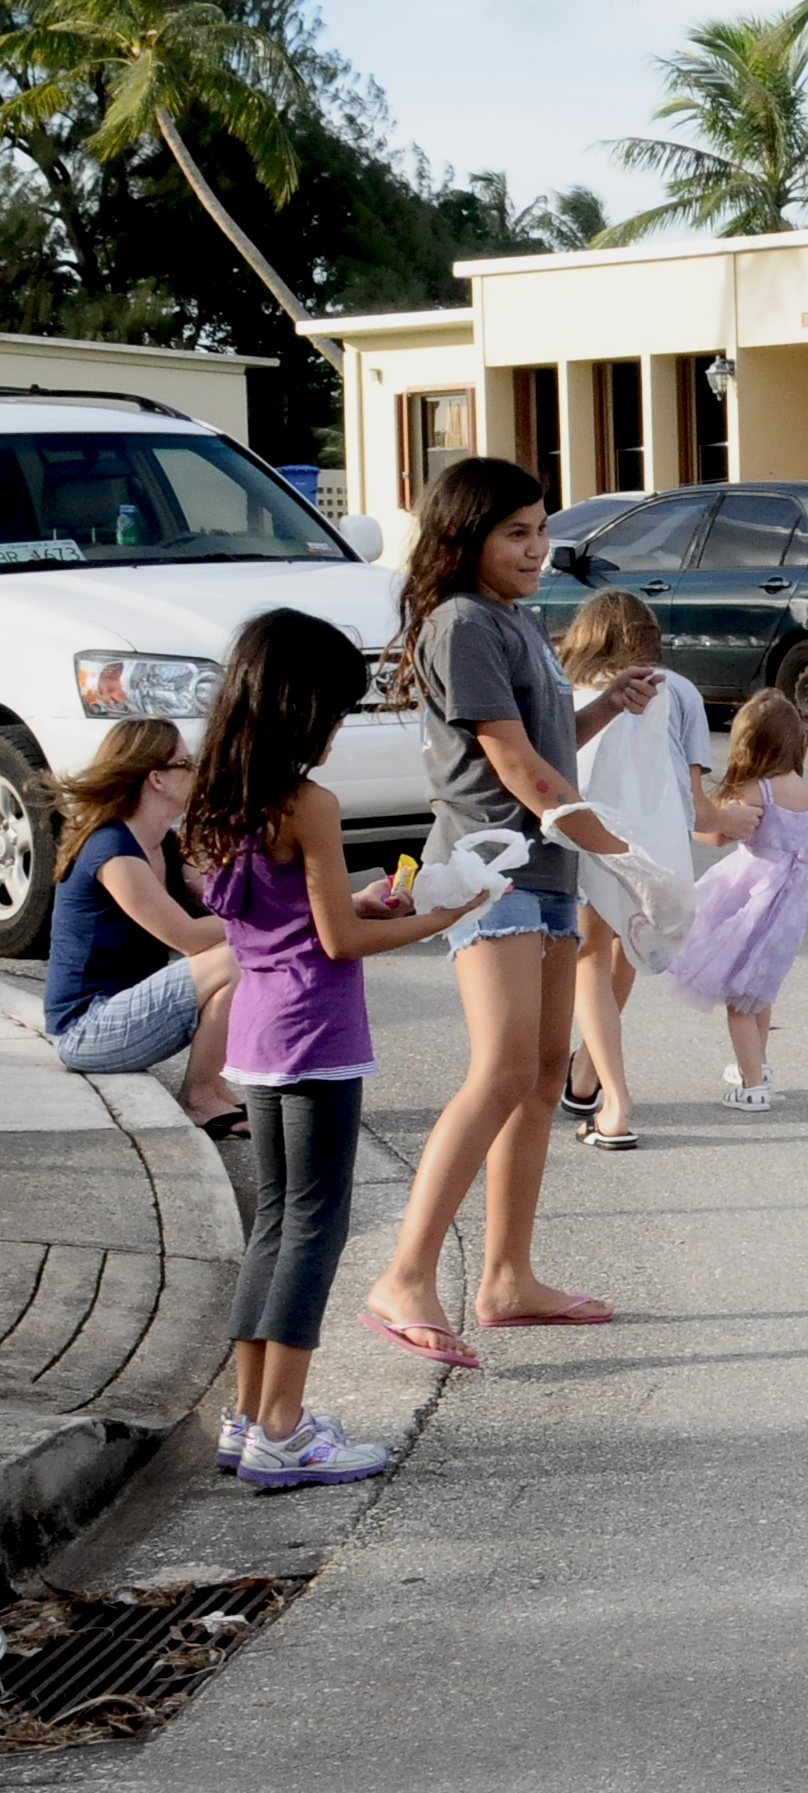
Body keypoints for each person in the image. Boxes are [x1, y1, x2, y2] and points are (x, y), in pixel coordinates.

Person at [359, 458, 653, 1367]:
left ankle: (508, 1279)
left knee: (537, 1077)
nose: (537, 548)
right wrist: (629, 857)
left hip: (548, 875)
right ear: (465, 538)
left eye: (540, 529)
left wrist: (601, 706)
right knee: (499, 1072)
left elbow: (543, 742)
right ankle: (405, 1275)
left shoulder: (514, 622)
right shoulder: (459, 624)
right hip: (493, 875)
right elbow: (516, 770)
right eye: (515, 533)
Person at [183, 611, 487, 1487]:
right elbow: (339, 943)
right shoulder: (307, 801)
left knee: (276, 1224)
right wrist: (440, 914)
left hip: (257, 1034)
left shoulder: (219, 797)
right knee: (317, 1225)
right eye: (335, 708)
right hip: (317, 1033)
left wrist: (363, 900)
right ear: (298, 704)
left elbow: (291, 915)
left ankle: (249, 1419)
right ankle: (283, 1428)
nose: (337, 725)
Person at [553, 589, 747, 1151]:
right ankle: (588, 1071)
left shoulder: (569, 693)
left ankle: (614, 1100)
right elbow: (693, 800)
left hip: (593, 835)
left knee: (590, 954)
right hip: (655, 843)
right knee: (627, 947)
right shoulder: (678, 690)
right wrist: (723, 822)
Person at [43, 718, 243, 1134]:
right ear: (157, 778)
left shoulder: (162, 843)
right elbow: (187, 938)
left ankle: (213, 1091)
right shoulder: (111, 849)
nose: (198, 773)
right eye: (187, 763)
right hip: (87, 1029)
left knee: (241, 954)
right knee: (235, 955)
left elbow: (224, 902)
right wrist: (268, 922)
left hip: (128, 1013)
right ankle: (199, 1099)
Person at [670, 689, 808, 1114]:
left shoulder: (757, 791)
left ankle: (753, 1087)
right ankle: (759, 1065)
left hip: (750, 903)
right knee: (760, 987)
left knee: (738, 998)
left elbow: (717, 835)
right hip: (790, 910)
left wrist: (696, 826)